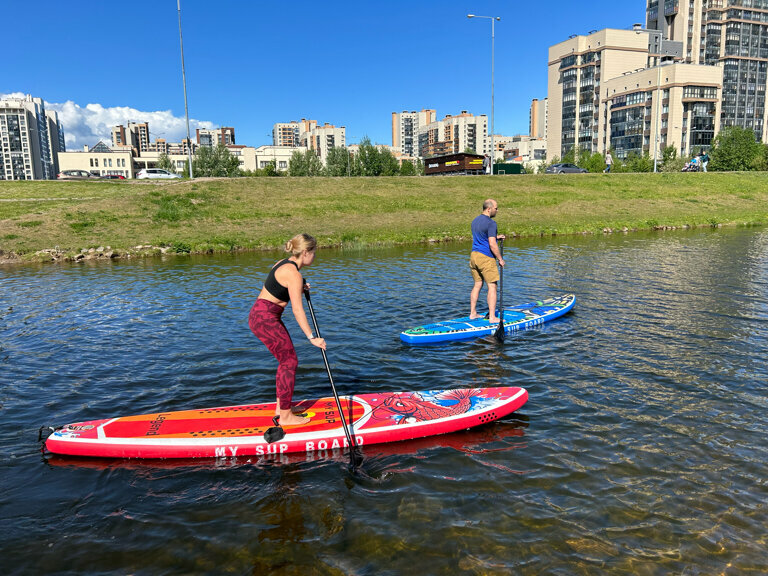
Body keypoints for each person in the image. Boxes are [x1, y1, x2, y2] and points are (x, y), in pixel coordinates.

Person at [249, 233, 326, 427]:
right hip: (265, 318)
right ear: (306, 252)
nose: (315, 256)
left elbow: (279, 289)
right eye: (314, 252)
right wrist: (312, 338)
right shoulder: (294, 274)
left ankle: (281, 408)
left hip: (262, 315)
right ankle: (285, 416)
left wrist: (298, 287)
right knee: (289, 361)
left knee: (286, 361)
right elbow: (297, 310)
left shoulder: (283, 263)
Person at [469, 199, 505, 323]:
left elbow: (482, 236)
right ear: (489, 209)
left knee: (477, 284)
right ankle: (493, 317)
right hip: (485, 258)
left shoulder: (475, 220)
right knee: (492, 286)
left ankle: (473, 313)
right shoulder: (491, 223)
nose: (497, 210)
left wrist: (496, 236)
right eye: (496, 208)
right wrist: (500, 259)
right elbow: (492, 244)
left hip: (474, 256)